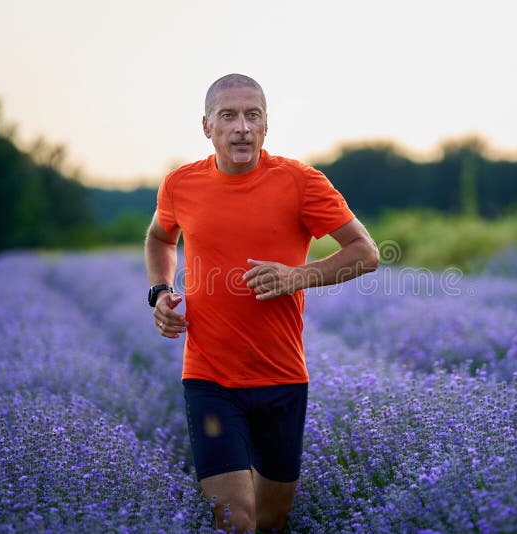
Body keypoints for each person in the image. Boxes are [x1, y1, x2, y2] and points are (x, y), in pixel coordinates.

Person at [144, 73, 379, 533]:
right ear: (206, 125)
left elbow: (366, 253)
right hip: (209, 378)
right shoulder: (179, 185)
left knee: (271, 520)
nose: (242, 127)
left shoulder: (302, 183)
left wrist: (299, 276)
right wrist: (160, 290)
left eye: (253, 115)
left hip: (282, 378)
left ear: (267, 124)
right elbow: (158, 237)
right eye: (228, 116)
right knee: (235, 518)